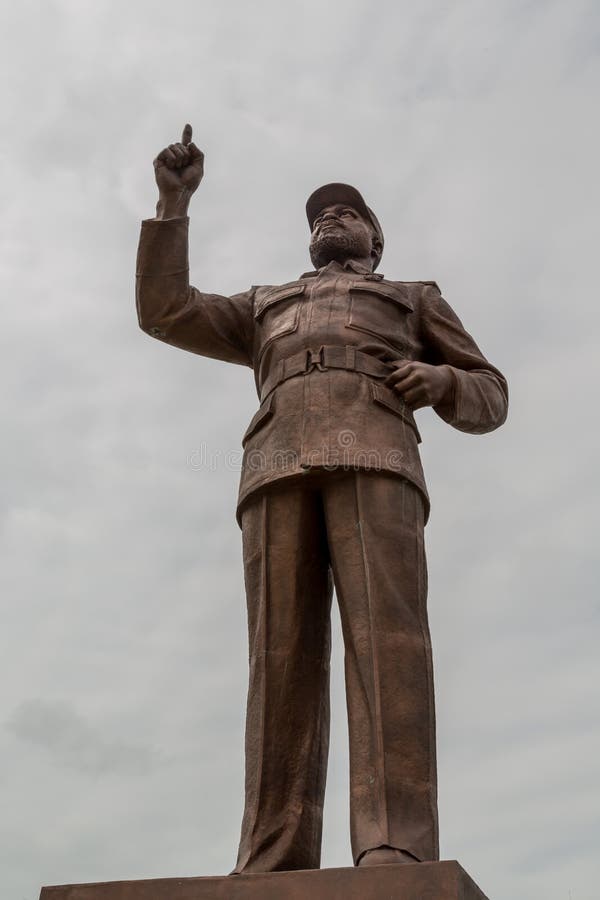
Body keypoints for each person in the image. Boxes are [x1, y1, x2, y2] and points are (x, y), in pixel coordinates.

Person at [135, 124, 508, 874]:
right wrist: (173, 205)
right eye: (319, 216)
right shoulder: (264, 304)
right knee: (278, 659)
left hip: (376, 454)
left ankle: (394, 842)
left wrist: (442, 380)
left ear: (375, 238)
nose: (330, 218)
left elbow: (490, 393)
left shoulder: (411, 297)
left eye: (348, 212)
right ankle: (272, 851)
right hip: (276, 465)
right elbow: (166, 311)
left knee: (388, 649)